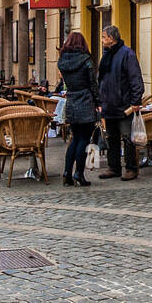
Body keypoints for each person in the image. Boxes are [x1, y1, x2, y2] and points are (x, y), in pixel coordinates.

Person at [98, 24, 144, 181]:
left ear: (111, 38)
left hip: (124, 105)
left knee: (127, 137)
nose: (102, 40)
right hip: (109, 104)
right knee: (111, 137)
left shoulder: (127, 54)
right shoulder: (107, 54)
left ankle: (131, 168)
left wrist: (135, 101)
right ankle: (114, 167)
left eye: (104, 37)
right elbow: (102, 79)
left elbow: (135, 79)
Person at [57, 32, 100, 187]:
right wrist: (98, 101)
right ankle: (79, 173)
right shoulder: (86, 60)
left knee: (75, 138)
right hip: (86, 101)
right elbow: (93, 84)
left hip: (71, 100)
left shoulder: (62, 61)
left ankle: (67, 173)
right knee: (83, 139)